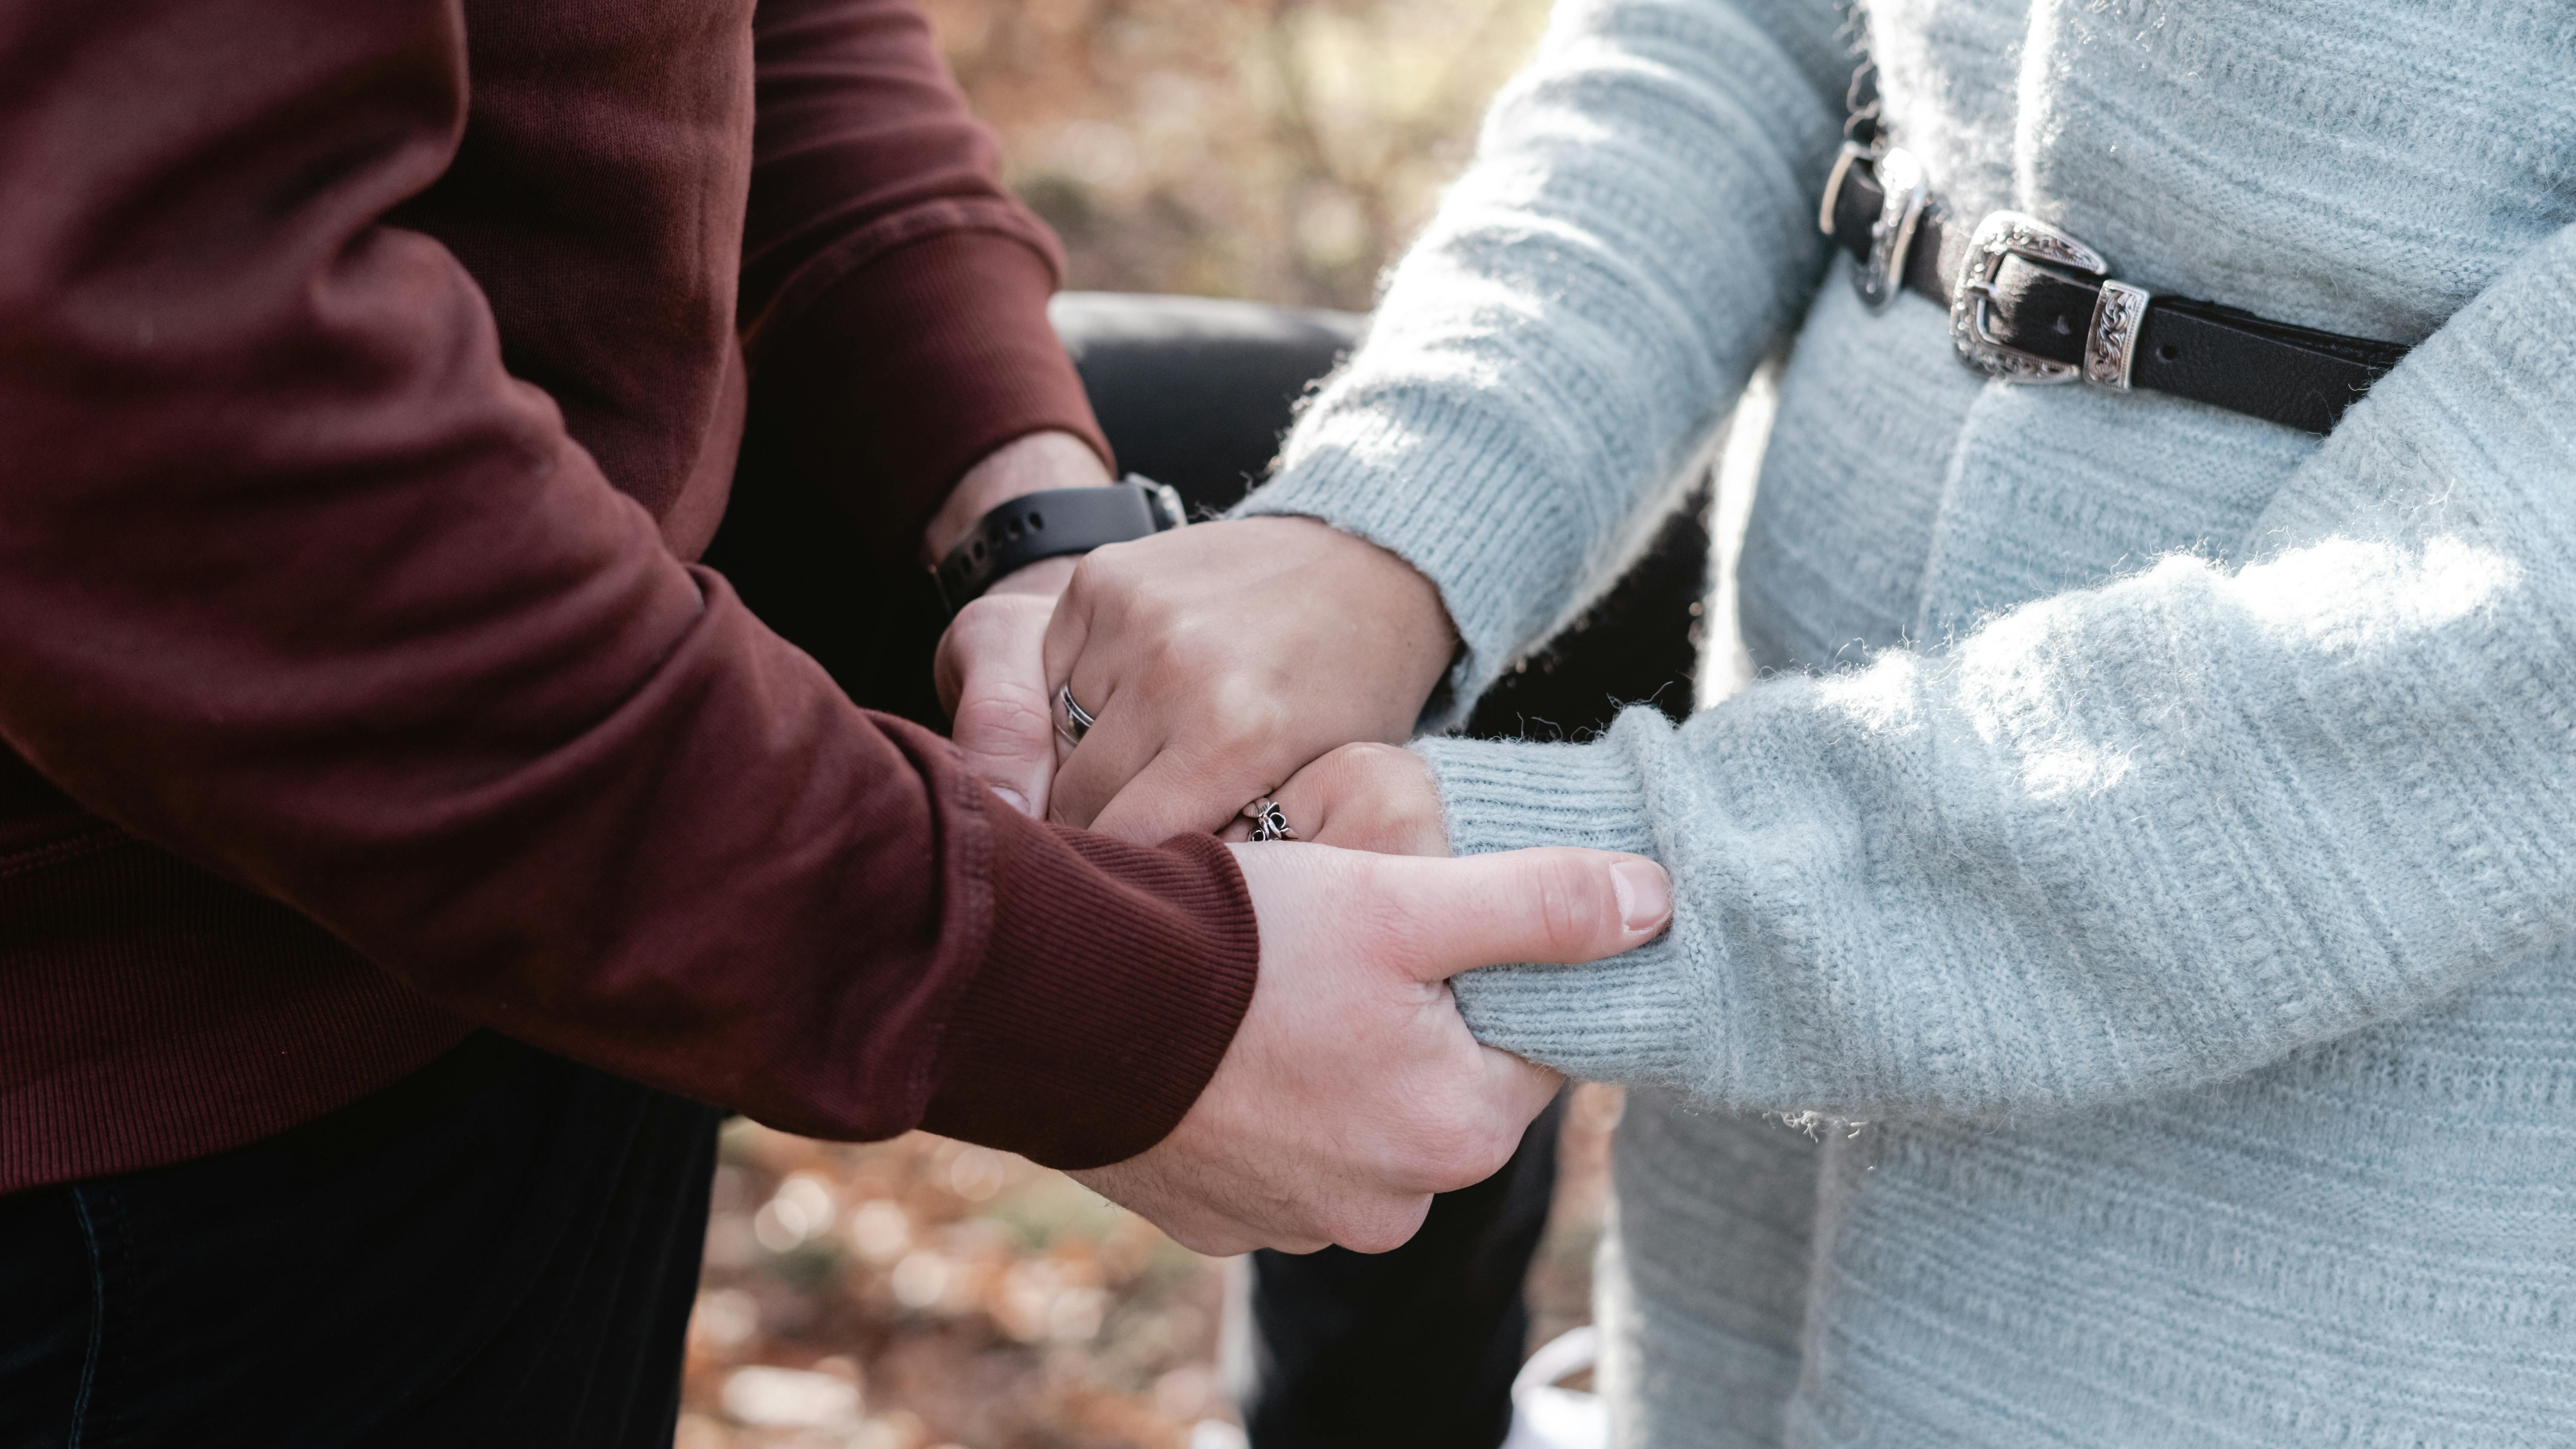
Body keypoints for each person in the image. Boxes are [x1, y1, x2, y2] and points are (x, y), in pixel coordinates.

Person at [0, 3, 1677, 1444]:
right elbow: (163, 409)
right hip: (169, 1091)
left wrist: (1030, 514)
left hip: (571, 790)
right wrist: (1089, 1005)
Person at [1021, 0, 2576, 1442]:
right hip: (1741, 1220)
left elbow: (2522, 600)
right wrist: (1392, 528)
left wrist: (1652, 882)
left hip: (2359, 1226)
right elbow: (1738, 37)